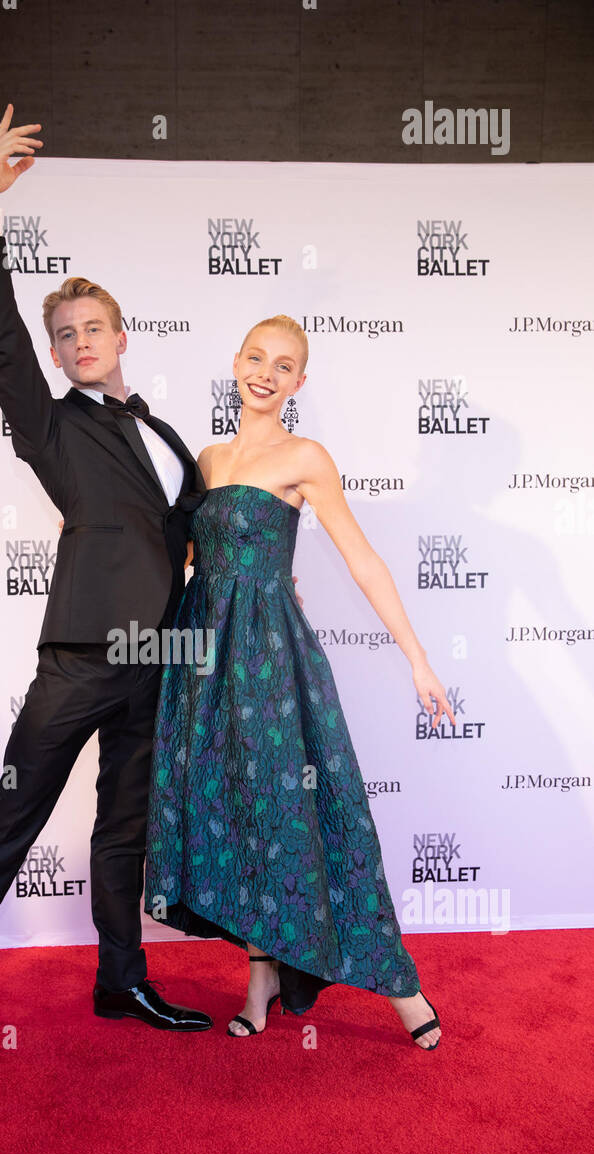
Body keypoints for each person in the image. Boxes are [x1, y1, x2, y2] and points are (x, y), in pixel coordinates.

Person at [0, 105, 215, 1069]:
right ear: (58, 353)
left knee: (124, 833)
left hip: (158, 663)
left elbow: (190, 541)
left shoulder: (165, 434)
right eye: (65, 335)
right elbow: (0, 343)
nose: (78, 343)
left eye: (91, 328)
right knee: (8, 824)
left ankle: (122, 979)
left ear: (120, 333)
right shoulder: (51, 428)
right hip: (75, 662)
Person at [143, 313, 451, 1048]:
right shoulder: (208, 460)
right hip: (201, 658)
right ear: (236, 361)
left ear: (298, 382)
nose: (265, 373)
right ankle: (260, 981)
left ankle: (400, 984)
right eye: (256, 357)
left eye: (283, 366)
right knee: (233, 808)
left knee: (301, 810)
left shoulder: (305, 455)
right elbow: (180, 556)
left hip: (270, 655)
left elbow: (362, 558)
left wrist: (417, 656)